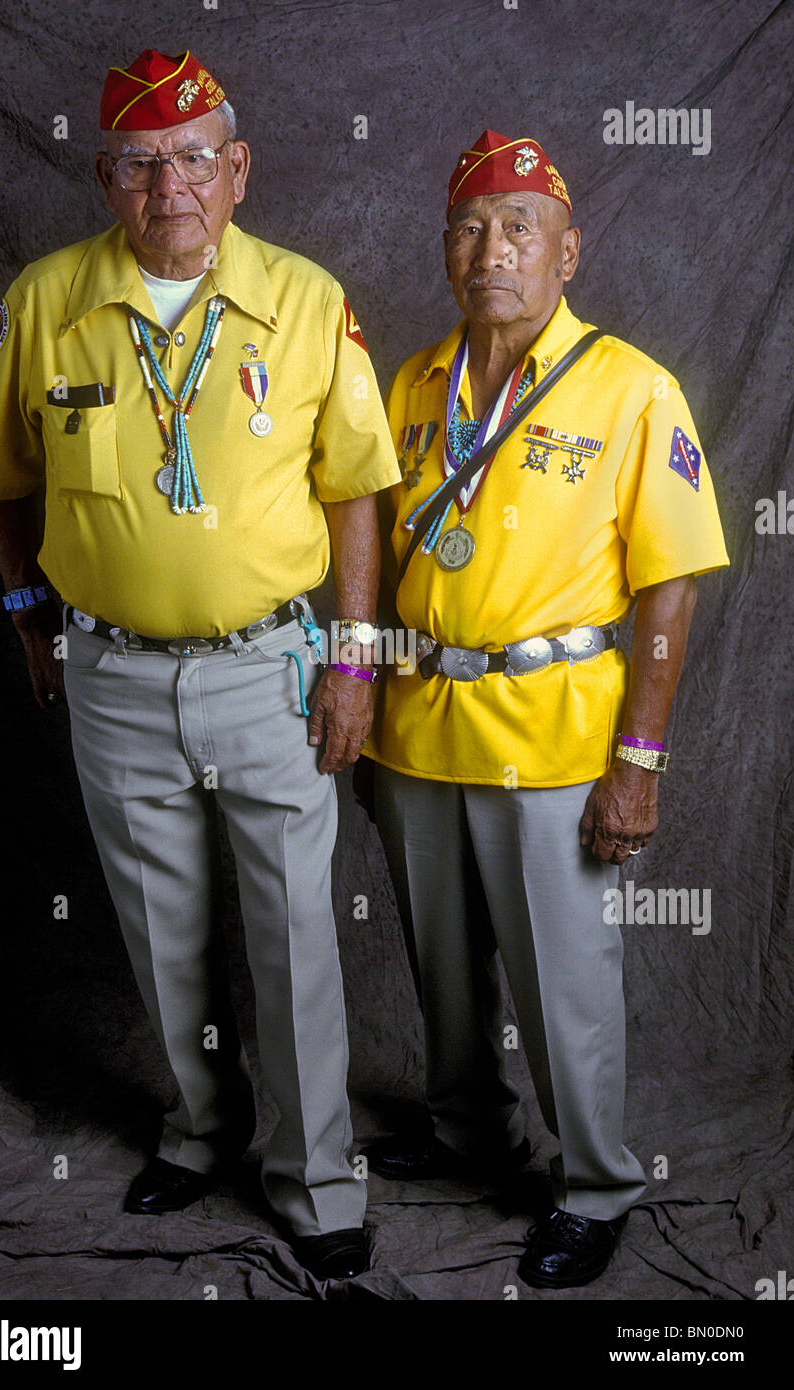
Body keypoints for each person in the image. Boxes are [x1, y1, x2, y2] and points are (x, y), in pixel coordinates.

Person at [0, 48, 401, 1281]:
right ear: (105, 177)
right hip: (113, 677)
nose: (171, 184)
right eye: (142, 163)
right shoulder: (44, 301)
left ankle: (316, 1179)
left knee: (296, 928)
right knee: (160, 926)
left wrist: (355, 654)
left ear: (237, 169)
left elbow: (357, 488)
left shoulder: (307, 301)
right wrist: (28, 609)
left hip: (271, 672)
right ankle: (200, 1130)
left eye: (196, 156)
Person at [361, 130, 729, 1289]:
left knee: (563, 980)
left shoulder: (632, 388)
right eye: (471, 227)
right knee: (446, 965)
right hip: (420, 724)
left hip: (556, 731)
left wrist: (642, 758)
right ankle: (470, 1127)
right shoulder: (414, 383)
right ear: (446, 251)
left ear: (569, 251)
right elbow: (365, 536)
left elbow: (671, 581)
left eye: (521, 228)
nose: (493, 250)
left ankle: (595, 1184)